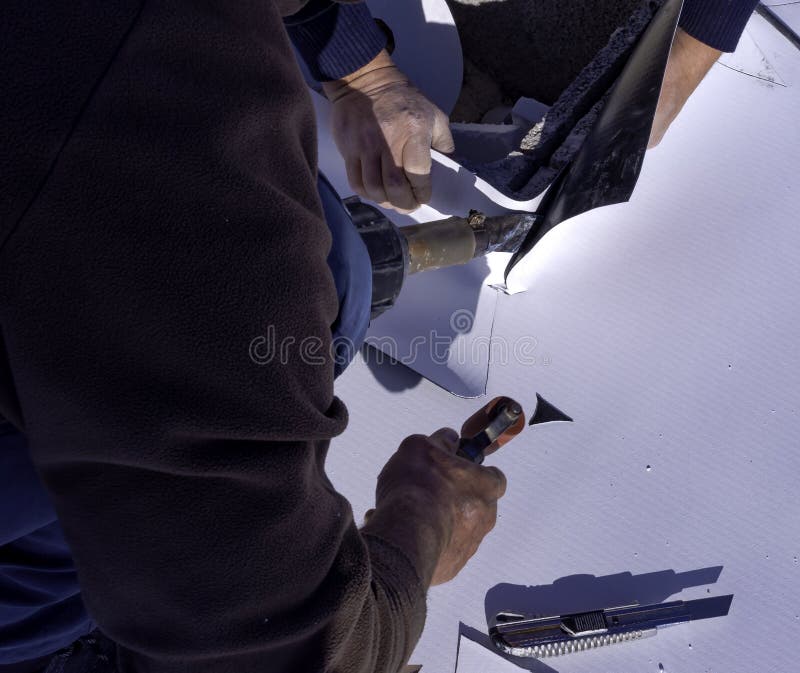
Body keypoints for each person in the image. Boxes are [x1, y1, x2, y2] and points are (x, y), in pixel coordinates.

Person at [0, 1, 759, 672]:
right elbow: (277, 647)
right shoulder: (160, 150)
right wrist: (414, 537)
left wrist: (360, 69)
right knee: (332, 272)